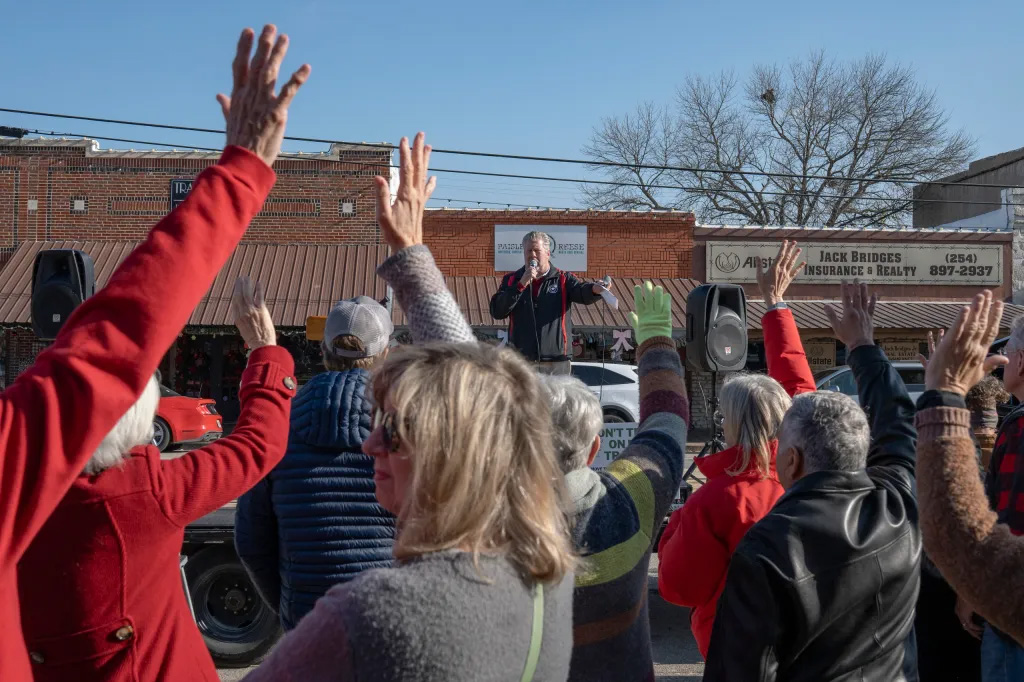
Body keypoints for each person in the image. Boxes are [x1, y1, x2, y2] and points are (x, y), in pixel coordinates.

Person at [0, 25, 309, 679]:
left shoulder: (26, 490)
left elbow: (110, 344)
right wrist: (268, 356)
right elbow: (257, 446)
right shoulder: (147, 494)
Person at [245, 133, 575, 682]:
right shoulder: (547, 581)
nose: (371, 442)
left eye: (395, 432)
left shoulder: (370, 617)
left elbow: (253, 537)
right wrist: (412, 264)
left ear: (454, 451)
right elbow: (479, 396)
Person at [17, 277, 295, 682]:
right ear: (139, 424)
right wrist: (263, 349)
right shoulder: (149, 495)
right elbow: (258, 443)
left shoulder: (17, 497)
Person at [704, 280, 921, 681]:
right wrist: (862, 345)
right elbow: (898, 427)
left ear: (791, 459)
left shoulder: (768, 547)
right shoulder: (898, 507)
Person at [657, 240, 815, 660]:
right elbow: (801, 390)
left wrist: (675, 526)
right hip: (811, 651)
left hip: (737, 656)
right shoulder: (815, 476)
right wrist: (776, 305)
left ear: (729, 424)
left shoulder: (717, 501)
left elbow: (679, 586)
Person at [539, 280, 689, 682]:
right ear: (593, 450)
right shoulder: (631, 499)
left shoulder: (483, 516)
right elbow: (667, 419)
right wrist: (656, 340)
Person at [235, 294, 397, 630]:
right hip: (389, 615)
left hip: (307, 619)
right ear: (386, 355)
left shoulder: (279, 423)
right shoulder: (406, 426)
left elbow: (251, 541)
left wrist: (289, 605)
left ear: (323, 352)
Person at [916, 302, 1024, 665]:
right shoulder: (1013, 426)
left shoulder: (1018, 428)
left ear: (1020, 362)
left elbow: (975, 527)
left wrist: (943, 393)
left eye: (1006, 352)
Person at [489, 231, 608, 374]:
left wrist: (595, 289)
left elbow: (582, 292)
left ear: (547, 253)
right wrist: (521, 285)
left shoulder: (563, 279)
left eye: (537, 251)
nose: (532, 255)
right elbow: (497, 311)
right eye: (529, 251)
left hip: (556, 361)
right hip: (521, 361)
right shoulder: (511, 280)